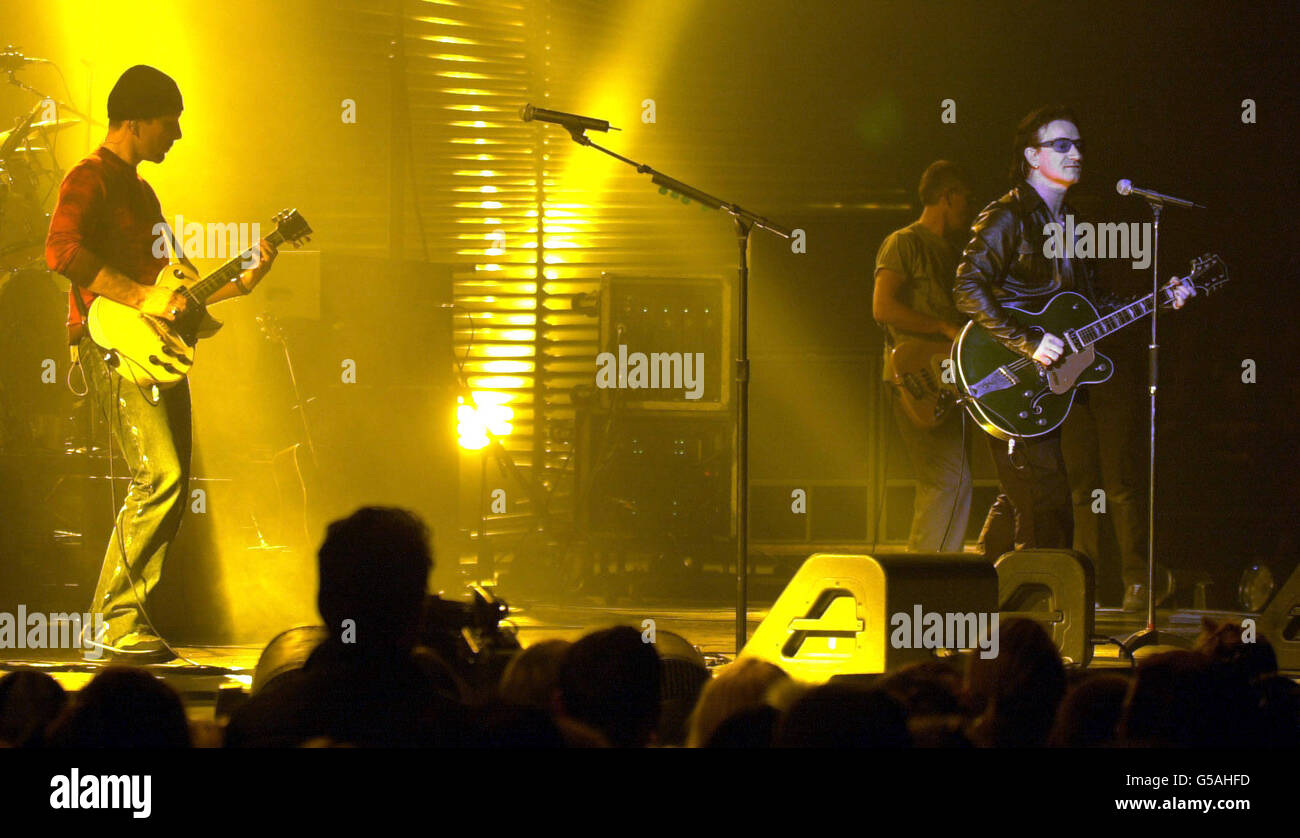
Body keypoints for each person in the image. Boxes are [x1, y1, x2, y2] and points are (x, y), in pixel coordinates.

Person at [44, 66, 278, 663]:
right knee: (161, 477)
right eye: (170, 123)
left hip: (154, 346)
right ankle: (112, 620)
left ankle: (128, 619)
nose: (176, 135)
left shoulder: (144, 193)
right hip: (114, 344)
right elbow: (61, 249)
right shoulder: (89, 177)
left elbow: (178, 290)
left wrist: (241, 283)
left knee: (171, 483)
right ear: (136, 120)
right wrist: (143, 297)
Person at [953, 105, 1192, 555]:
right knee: (1047, 504)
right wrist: (1027, 342)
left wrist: (1161, 299)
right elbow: (966, 287)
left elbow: (1090, 307)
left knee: (1026, 495)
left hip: (1050, 386)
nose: (1075, 153)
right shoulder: (1007, 215)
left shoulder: (1072, 224)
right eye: (1061, 145)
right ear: (1032, 156)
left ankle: (980, 597)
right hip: (1009, 369)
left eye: (1079, 144)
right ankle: (1042, 612)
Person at [872, 160, 976, 551]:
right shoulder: (904, 242)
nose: (970, 206)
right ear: (947, 196)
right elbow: (882, 308)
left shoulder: (954, 252)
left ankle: (936, 579)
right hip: (916, 377)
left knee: (955, 479)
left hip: (950, 377)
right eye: (966, 197)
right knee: (947, 478)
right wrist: (941, 327)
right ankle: (923, 581)